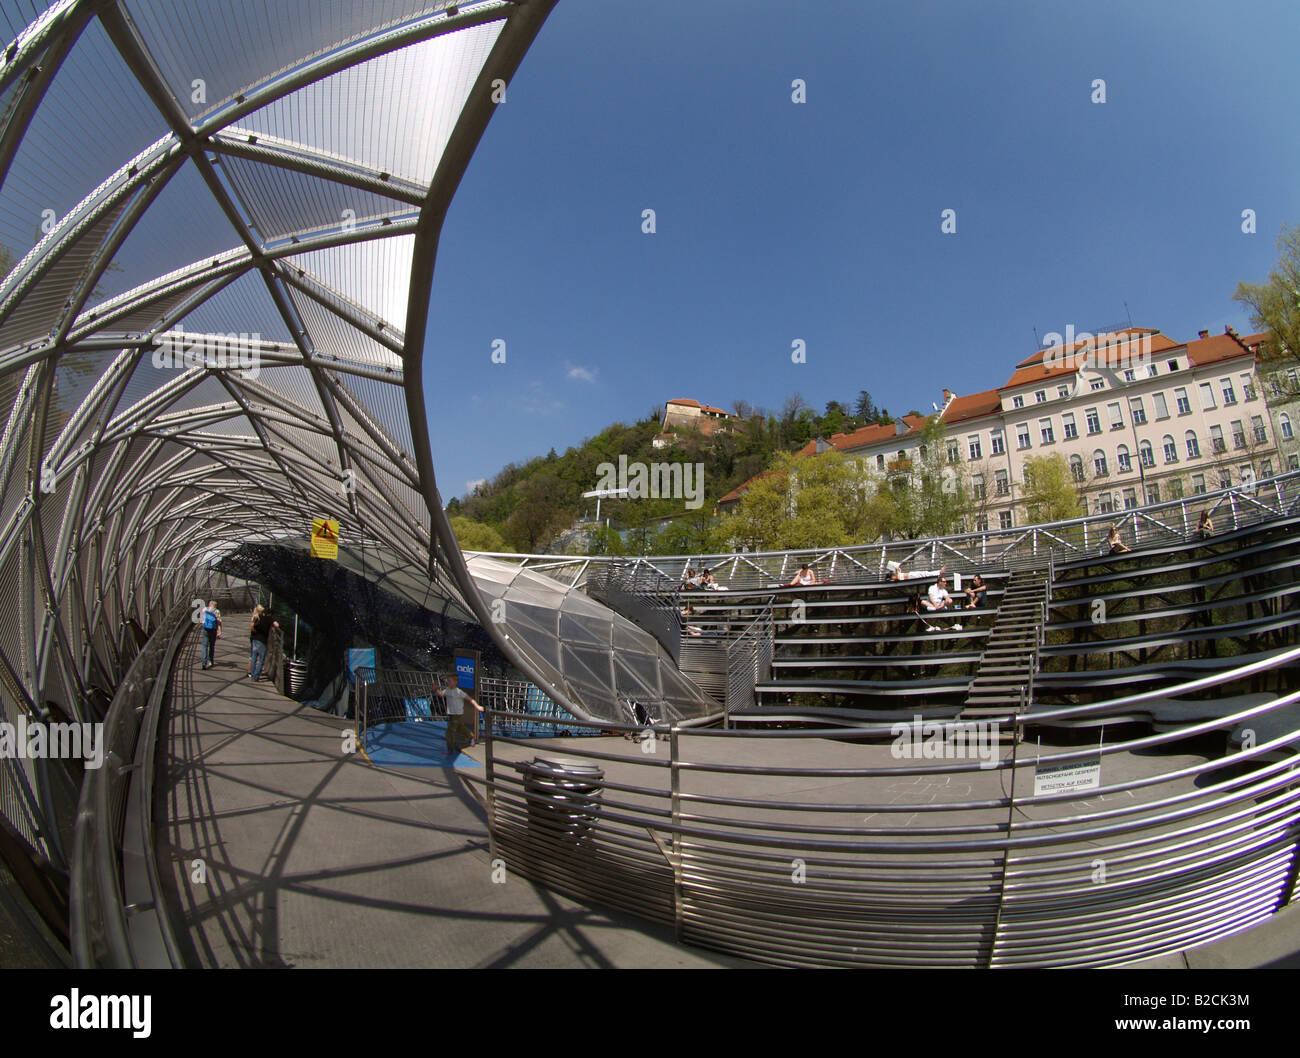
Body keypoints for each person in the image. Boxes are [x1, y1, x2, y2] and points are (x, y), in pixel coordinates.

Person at [440, 677, 483, 753]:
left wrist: (477, 706)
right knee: (461, 728)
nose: (448, 683)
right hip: (452, 714)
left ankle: (450, 749)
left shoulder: (459, 692)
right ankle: (471, 736)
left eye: (450, 681)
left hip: (457, 714)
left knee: (450, 731)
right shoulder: (448, 690)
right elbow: (441, 694)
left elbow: (470, 699)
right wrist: (435, 689)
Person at [249, 607, 279, 680]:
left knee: (254, 657)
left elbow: (253, 624)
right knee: (261, 659)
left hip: (255, 639)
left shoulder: (260, 617)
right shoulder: (270, 619)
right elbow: (277, 625)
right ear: (271, 614)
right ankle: (256, 676)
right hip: (262, 641)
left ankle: (252, 674)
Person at [200, 600, 221, 669]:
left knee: (204, 646)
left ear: (209, 604)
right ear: (215, 606)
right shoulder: (217, 611)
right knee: (212, 646)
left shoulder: (204, 609)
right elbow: (218, 622)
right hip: (213, 630)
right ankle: (211, 661)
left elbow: (201, 620)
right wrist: (219, 631)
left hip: (205, 629)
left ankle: (203, 662)